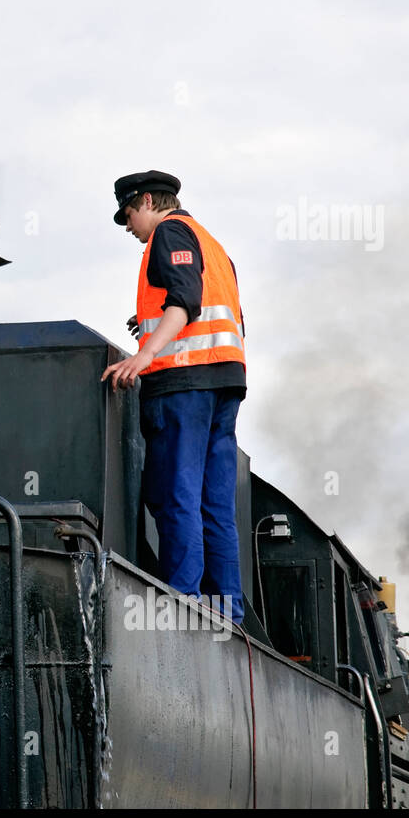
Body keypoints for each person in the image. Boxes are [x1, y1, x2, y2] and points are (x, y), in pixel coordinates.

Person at [101, 171, 246, 624]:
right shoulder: (212, 243)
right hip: (225, 382)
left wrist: (143, 356)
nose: (128, 227)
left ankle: (182, 602)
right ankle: (227, 610)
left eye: (128, 214)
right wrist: (150, 319)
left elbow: (185, 301)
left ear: (145, 201)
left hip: (185, 385)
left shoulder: (169, 231)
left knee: (175, 493)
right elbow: (198, 300)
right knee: (215, 503)